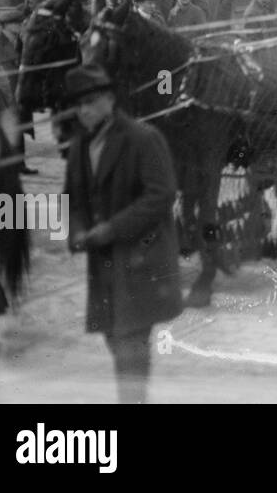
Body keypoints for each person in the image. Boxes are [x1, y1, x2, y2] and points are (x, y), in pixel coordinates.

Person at [62, 65, 183, 403]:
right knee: (115, 338)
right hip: (105, 265)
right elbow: (71, 196)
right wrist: (76, 229)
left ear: (110, 100)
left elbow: (161, 195)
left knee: (130, 341)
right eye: (78, 104)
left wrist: (112, 229)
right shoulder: (79, 146)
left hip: (142, 260)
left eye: (91, 101)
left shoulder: (143, 139)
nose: (84, 110)